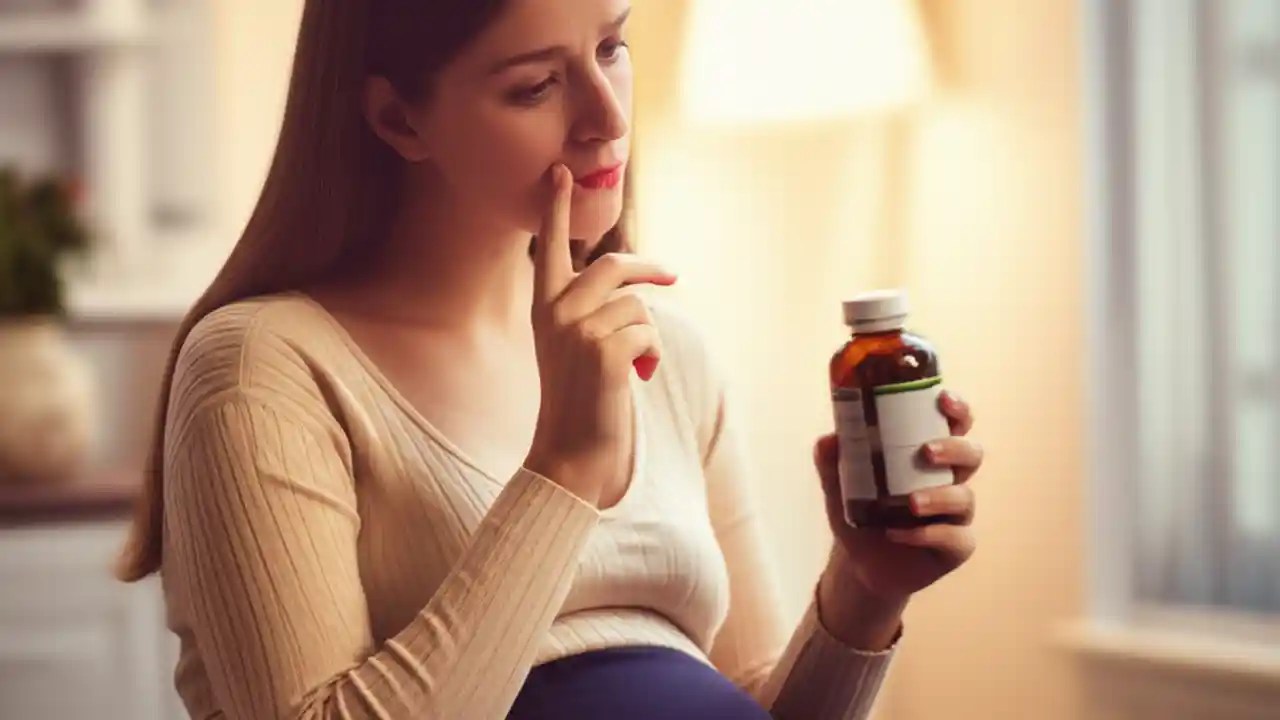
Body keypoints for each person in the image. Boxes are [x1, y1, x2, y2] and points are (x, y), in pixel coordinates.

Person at [114, 1, 985, 717]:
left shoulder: (668, 356)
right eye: (535, 86)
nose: (607, 118)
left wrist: (865, 594)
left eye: (613, 46)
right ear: (395, 116)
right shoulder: (261, 368)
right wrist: (562, 473)